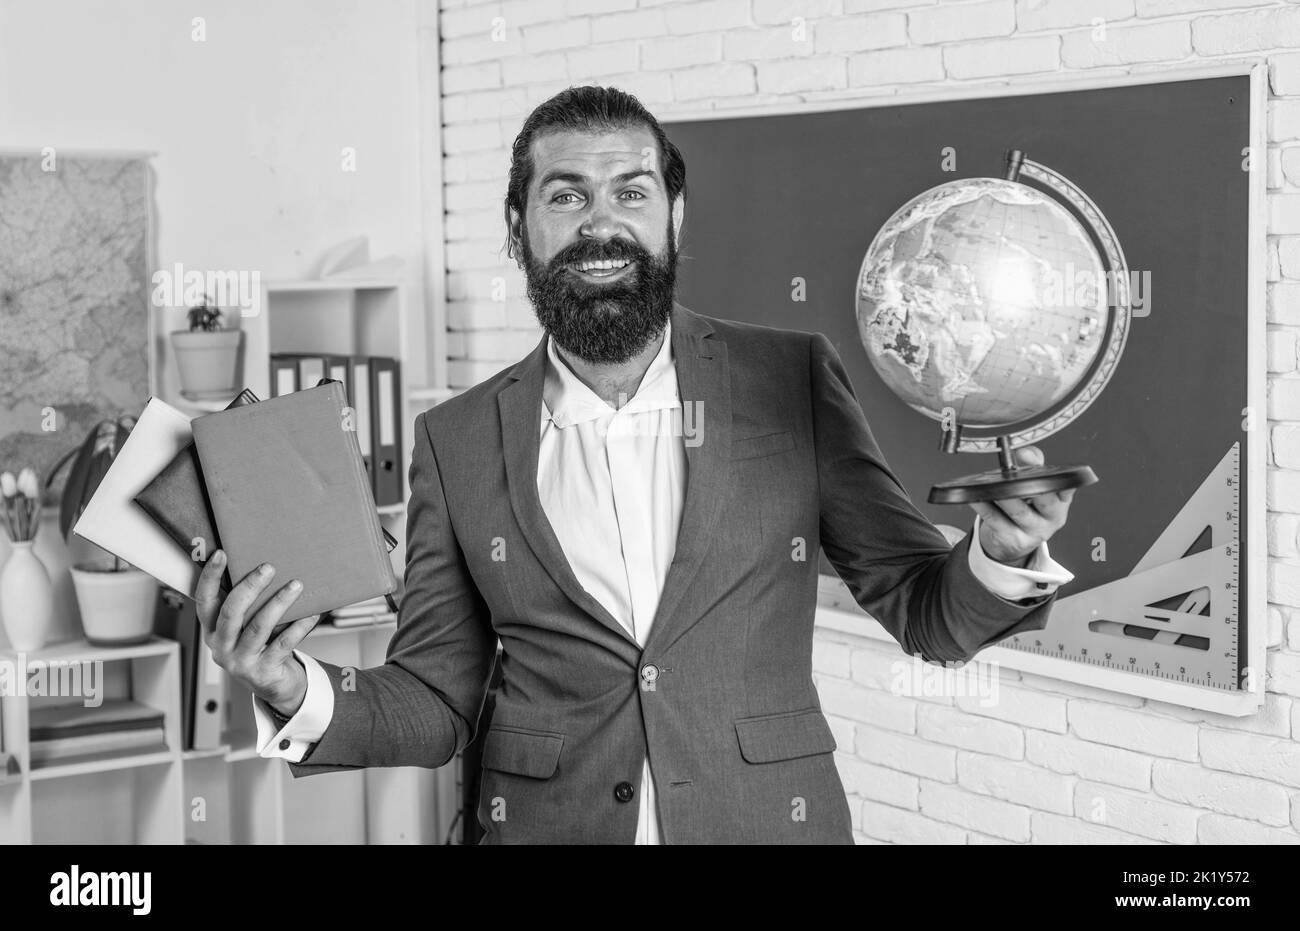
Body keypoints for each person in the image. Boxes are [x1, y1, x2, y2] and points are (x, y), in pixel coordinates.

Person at [196, 85, 1075, 845]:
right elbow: (435, 700)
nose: (602, 223)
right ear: (518, 229)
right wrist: (290, 683)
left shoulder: (789, 381)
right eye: (567, 196)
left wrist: (998, 553)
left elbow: (926, 611)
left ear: (673, 216)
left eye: (631, 191)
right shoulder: (455, 440)